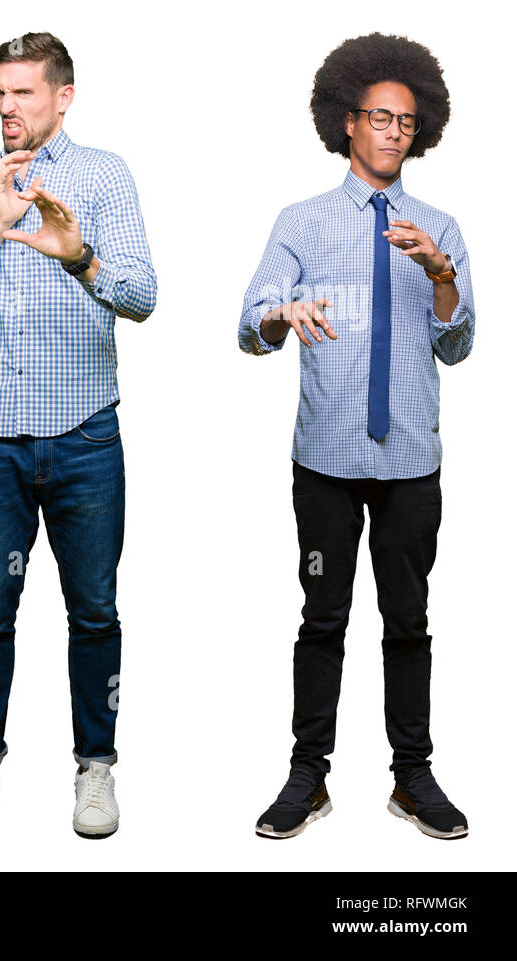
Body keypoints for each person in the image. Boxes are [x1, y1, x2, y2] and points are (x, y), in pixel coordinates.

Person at [0, 32, 157, 839]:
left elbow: (144, 295)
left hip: (85, 439)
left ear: (64, 95)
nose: (7, 108)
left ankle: (96, 767)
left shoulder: (104, 176)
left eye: (22, 93)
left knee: (94, 610)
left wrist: (79, 256)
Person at [240, 33, 474, 841]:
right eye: (380, 118)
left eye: (407, 123)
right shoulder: (301, 223)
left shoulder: (438, 228)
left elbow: (458, 342)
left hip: (411, 462)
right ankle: (309, 776)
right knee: (322, 619)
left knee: (409, 620)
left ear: (421, 130)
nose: (394, 133)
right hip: (326, 465)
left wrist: (439, 272)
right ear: (347, 122)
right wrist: (282, 311)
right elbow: (250, 320)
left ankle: (414, 777)